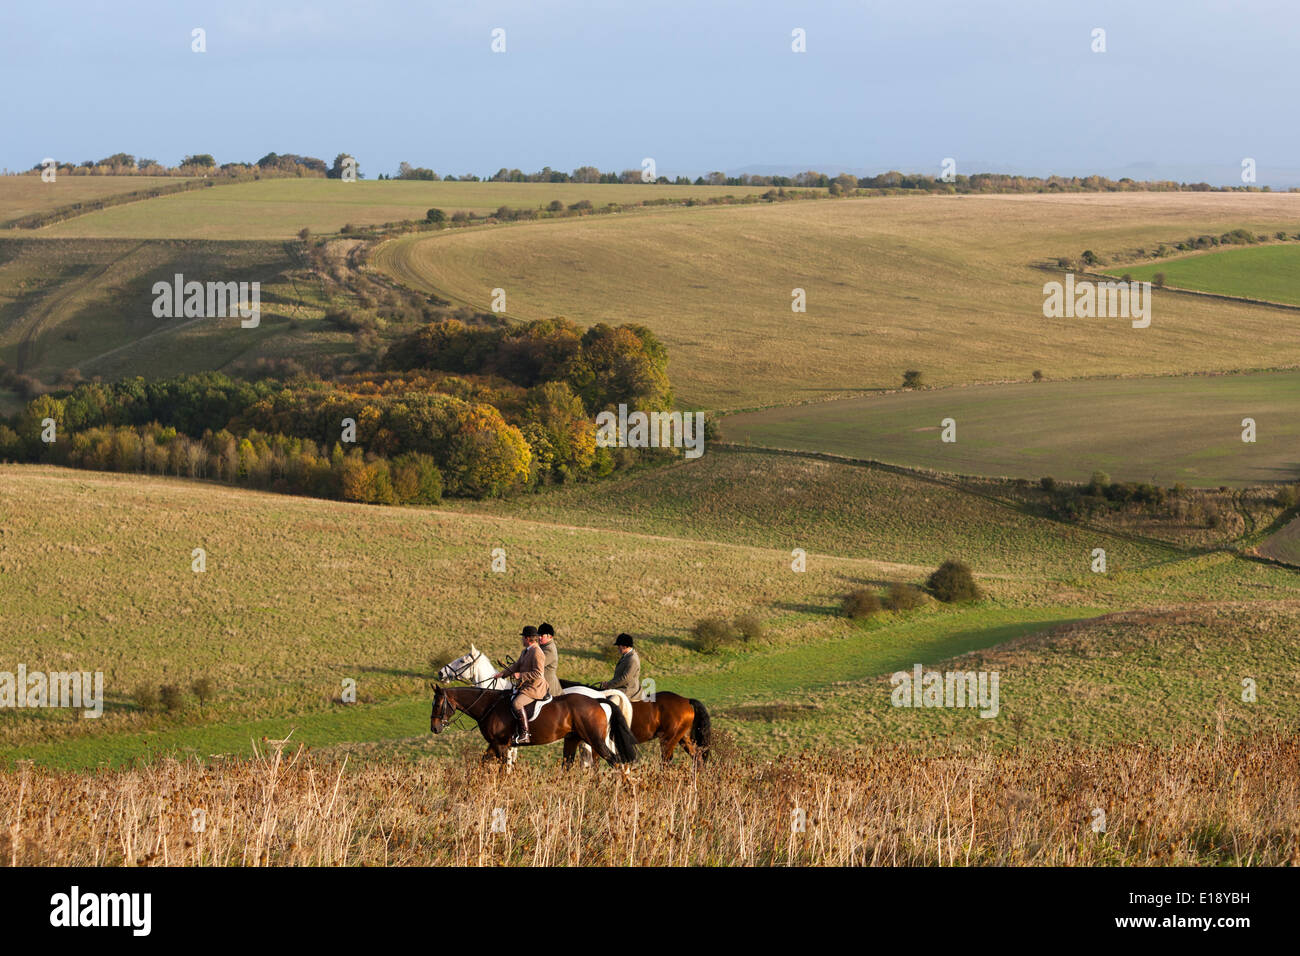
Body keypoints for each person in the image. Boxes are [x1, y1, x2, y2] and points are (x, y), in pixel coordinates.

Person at [493, 626, 549, 744]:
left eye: (523, 637)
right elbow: (516, 666)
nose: (522, 640)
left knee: (516, 703)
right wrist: (502, 674)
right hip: (526, 685)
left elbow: (538, 673)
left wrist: (520, 676)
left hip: (535, 687)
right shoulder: (526, 651)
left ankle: (525, 734)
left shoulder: (537, 652)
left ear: (527, 638)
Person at [600, 633, 643, 701]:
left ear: (625, 646)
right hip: (621, 687)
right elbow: (619, 676)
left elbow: (625, 678)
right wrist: (608, 683)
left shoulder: (632, 659)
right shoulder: (626, 656)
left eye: (619, 646)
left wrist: (609, 685)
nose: (618, 648)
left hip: (628, 690)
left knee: (612, 702)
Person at [537, 622, 562, 698]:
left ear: (550, 636)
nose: (539, 637)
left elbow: (537, 665)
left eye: (542, 635)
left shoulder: (549, 650)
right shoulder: (543, 647)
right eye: (538, 635)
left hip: (549, 689)